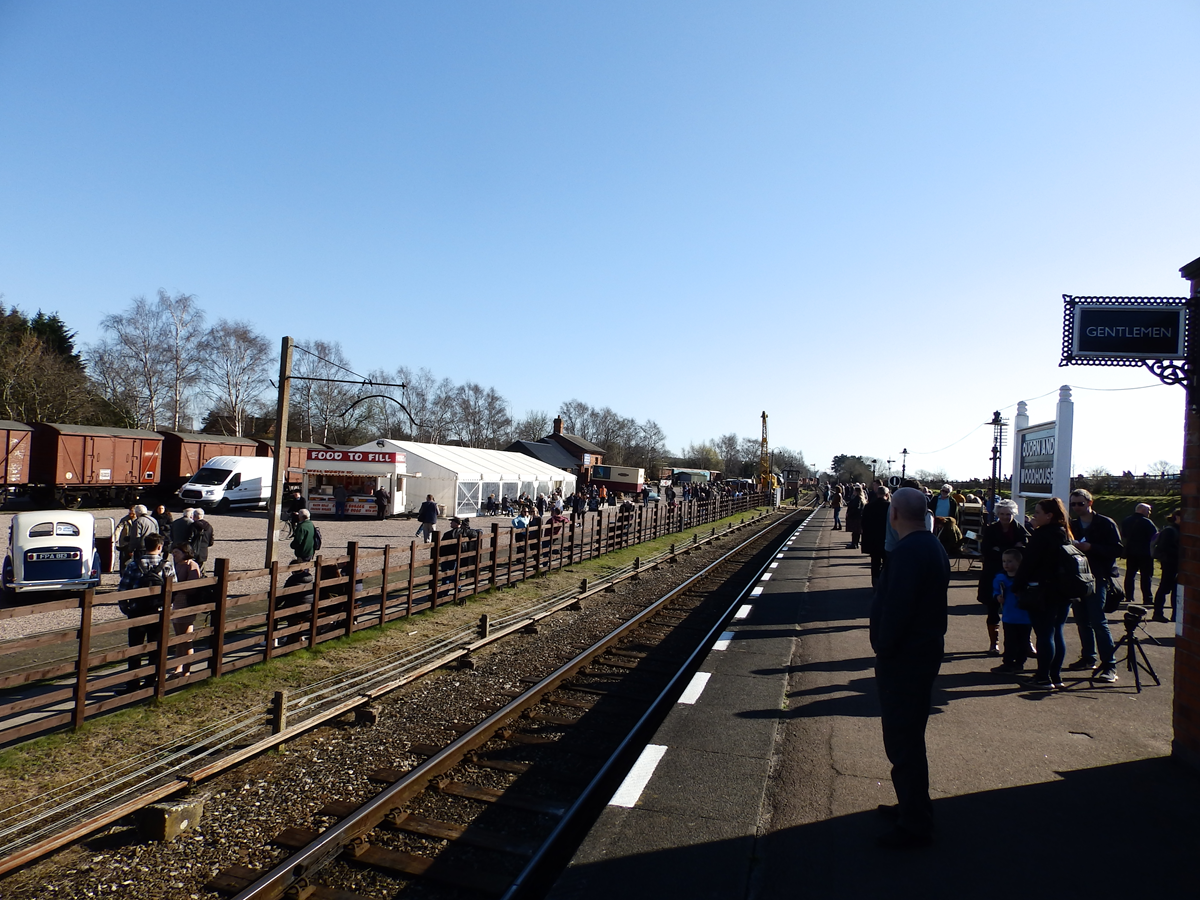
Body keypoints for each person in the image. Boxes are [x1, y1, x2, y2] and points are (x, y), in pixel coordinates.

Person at [869, 488, 949, 849]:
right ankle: (912, 805)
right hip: (922, 652)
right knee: (909, 736)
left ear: (894, 513)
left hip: (905, 658)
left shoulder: (907, 552)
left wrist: (883, 648)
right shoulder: (930, 545)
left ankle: (915, 823)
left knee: (903, 740)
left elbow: (897, 608)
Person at [1012, 498, 1076, 689]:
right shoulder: (1065, 534)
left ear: (1049, 516)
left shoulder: (1041, 536)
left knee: (1045, 634)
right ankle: (1055, 676)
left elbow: (1028, 564)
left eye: (1038, 512)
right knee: (1058, 633)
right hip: (1063, 592)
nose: (1034, 516)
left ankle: (1042, 677)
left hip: (1043, 592)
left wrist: (1017, 586)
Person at [1067, 489, 1120, 681]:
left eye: (1080, 503)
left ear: (1090, 503)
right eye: (1073, 504)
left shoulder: (1105, 523)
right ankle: (1088, 657)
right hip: (1078, 577)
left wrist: (1092, 548)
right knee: (1082, 621)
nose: (1076, 507)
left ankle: (1109, 666)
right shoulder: (1072, 525)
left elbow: (1117, 549)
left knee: (1098, 621)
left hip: (1098, 577)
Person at [117, 532, 176, 691]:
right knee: (155, 647)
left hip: (137, 611)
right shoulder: (167, 565)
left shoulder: (133, 564)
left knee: (135, 649)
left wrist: (126, 608)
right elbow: (174, 590)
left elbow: (123, 589)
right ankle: (152, 681)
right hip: (158, 612)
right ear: (159, 547)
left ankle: (133, 683)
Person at [976, 499, 1029, 656]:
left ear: (1014, 514)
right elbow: (986, 550)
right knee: (992, 609)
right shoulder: (991, 529)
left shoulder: (1021, 529)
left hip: (1016, 576)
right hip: (992, 575)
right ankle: (994, 643)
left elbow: (1025, 549)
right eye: (1002, 514)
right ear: (997, 514)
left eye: (1008, 514)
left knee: (1022, 608)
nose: (1005, 517)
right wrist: (1012, 549)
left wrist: (1000, 549)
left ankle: (1026, 642)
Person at [991, 549, 1032, 674]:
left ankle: (1019, 663)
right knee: (1009, 641)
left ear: (1019, 563)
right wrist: (997, 596)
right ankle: (1008, 663)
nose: (1006, 564)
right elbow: (995, 590)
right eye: (1004, 561)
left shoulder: (1025, 578)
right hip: (1009, 616)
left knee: (1023, 641)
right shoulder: (1000, 577)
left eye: (1010, 561)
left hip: (1025, 616)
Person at [170, 541, 202, 676]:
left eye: (177, 552)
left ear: (184, 552)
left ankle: (187, 670)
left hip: (187, 604)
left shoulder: (192, 565)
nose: (174, 555)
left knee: (186, 638)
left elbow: (193, 587)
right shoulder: (176, 565)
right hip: (176, 603)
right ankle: (178, 668)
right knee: (178, 638)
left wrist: (178, 587)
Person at [1119, 503, 1158, 607]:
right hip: (1145, 552)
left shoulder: (1126, 520)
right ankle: (1147, 598)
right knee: (1146, 576)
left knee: (1130, 574)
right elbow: (1154, 536)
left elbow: (1123, 535)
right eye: (1148, 511)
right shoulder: (1147, 522)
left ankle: (1129, 596)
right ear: (1142, 510)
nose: (1149, 513)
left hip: (1130, 551)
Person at [1152, 509, 1180, 622]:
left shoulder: (1179, 530)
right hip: (1169, 563)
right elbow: (1164, 547)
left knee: (1177, 590)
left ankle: (1175, 614)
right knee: (1164, 588)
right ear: (1177, 517)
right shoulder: (1170, 531)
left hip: (1175, 563)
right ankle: (1157, 613)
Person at [861, 486, 891, 585]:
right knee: (886, 562)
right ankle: (883, 581)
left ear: (877, 494)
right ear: (887, 495)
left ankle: (875, 581)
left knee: (875, 562)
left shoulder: (868, 506)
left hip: (872, 539)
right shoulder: (890, 506)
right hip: (886, 538)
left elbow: (863, 523)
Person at [189, 508, 215, 576]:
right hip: (203, 551)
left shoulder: (193, 526)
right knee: (202, 571)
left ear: (194, 516)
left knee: (192, 571)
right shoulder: (209, 527)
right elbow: (211, 542)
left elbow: (189, 538)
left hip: (193, 551)